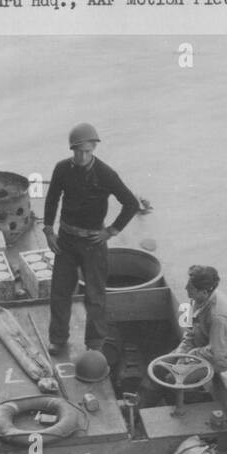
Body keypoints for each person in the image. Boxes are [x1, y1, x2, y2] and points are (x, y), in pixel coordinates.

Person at [42, 122, 140, 354]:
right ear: (72, 149)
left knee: (95, 296)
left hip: (93, 243)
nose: (83, 156)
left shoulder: (106, 174)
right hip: (66, 240)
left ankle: (94, 343)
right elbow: (52, 198)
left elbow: (131, 204)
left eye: (88, 151)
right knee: (60, 292)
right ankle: (58, 338)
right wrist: (48, 230)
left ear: (94, 149)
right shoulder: (62, 169)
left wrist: (111, 231)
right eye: (79, 151)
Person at [175, 265, 227, 373]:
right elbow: (190, 331)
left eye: (191, 288)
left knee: (173, 377)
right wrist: (181, 353)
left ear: (204, 292)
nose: (186, 288)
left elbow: (216, 353)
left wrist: (191, 355)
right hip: (202, 344)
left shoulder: (219, 318)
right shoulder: (196, 298)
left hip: (219, 358)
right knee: (163, 365)